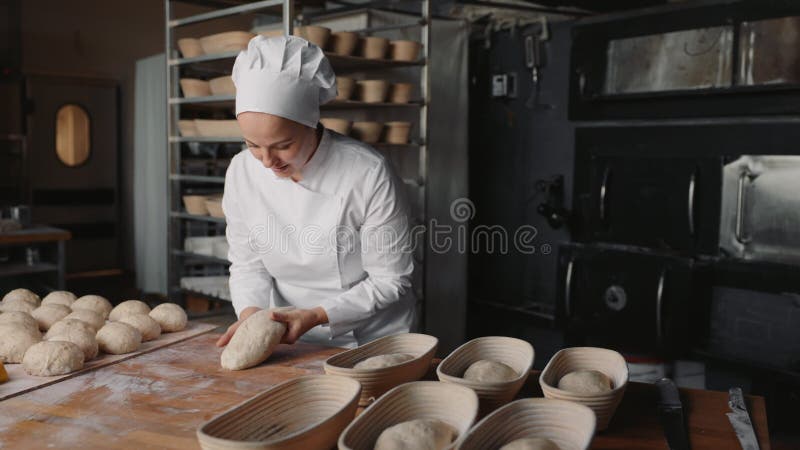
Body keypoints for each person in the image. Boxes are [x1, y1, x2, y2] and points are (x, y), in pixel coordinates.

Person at [215, 35, 416, 349]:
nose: (267, 161)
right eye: (253, 145)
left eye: (283, 145)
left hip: (370, 336)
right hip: (284, 334)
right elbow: (247, 264)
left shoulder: (367, 172)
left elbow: (390, 279)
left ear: (311, 123)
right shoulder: (241, 171)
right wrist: (251, 318)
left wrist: (317, 315)